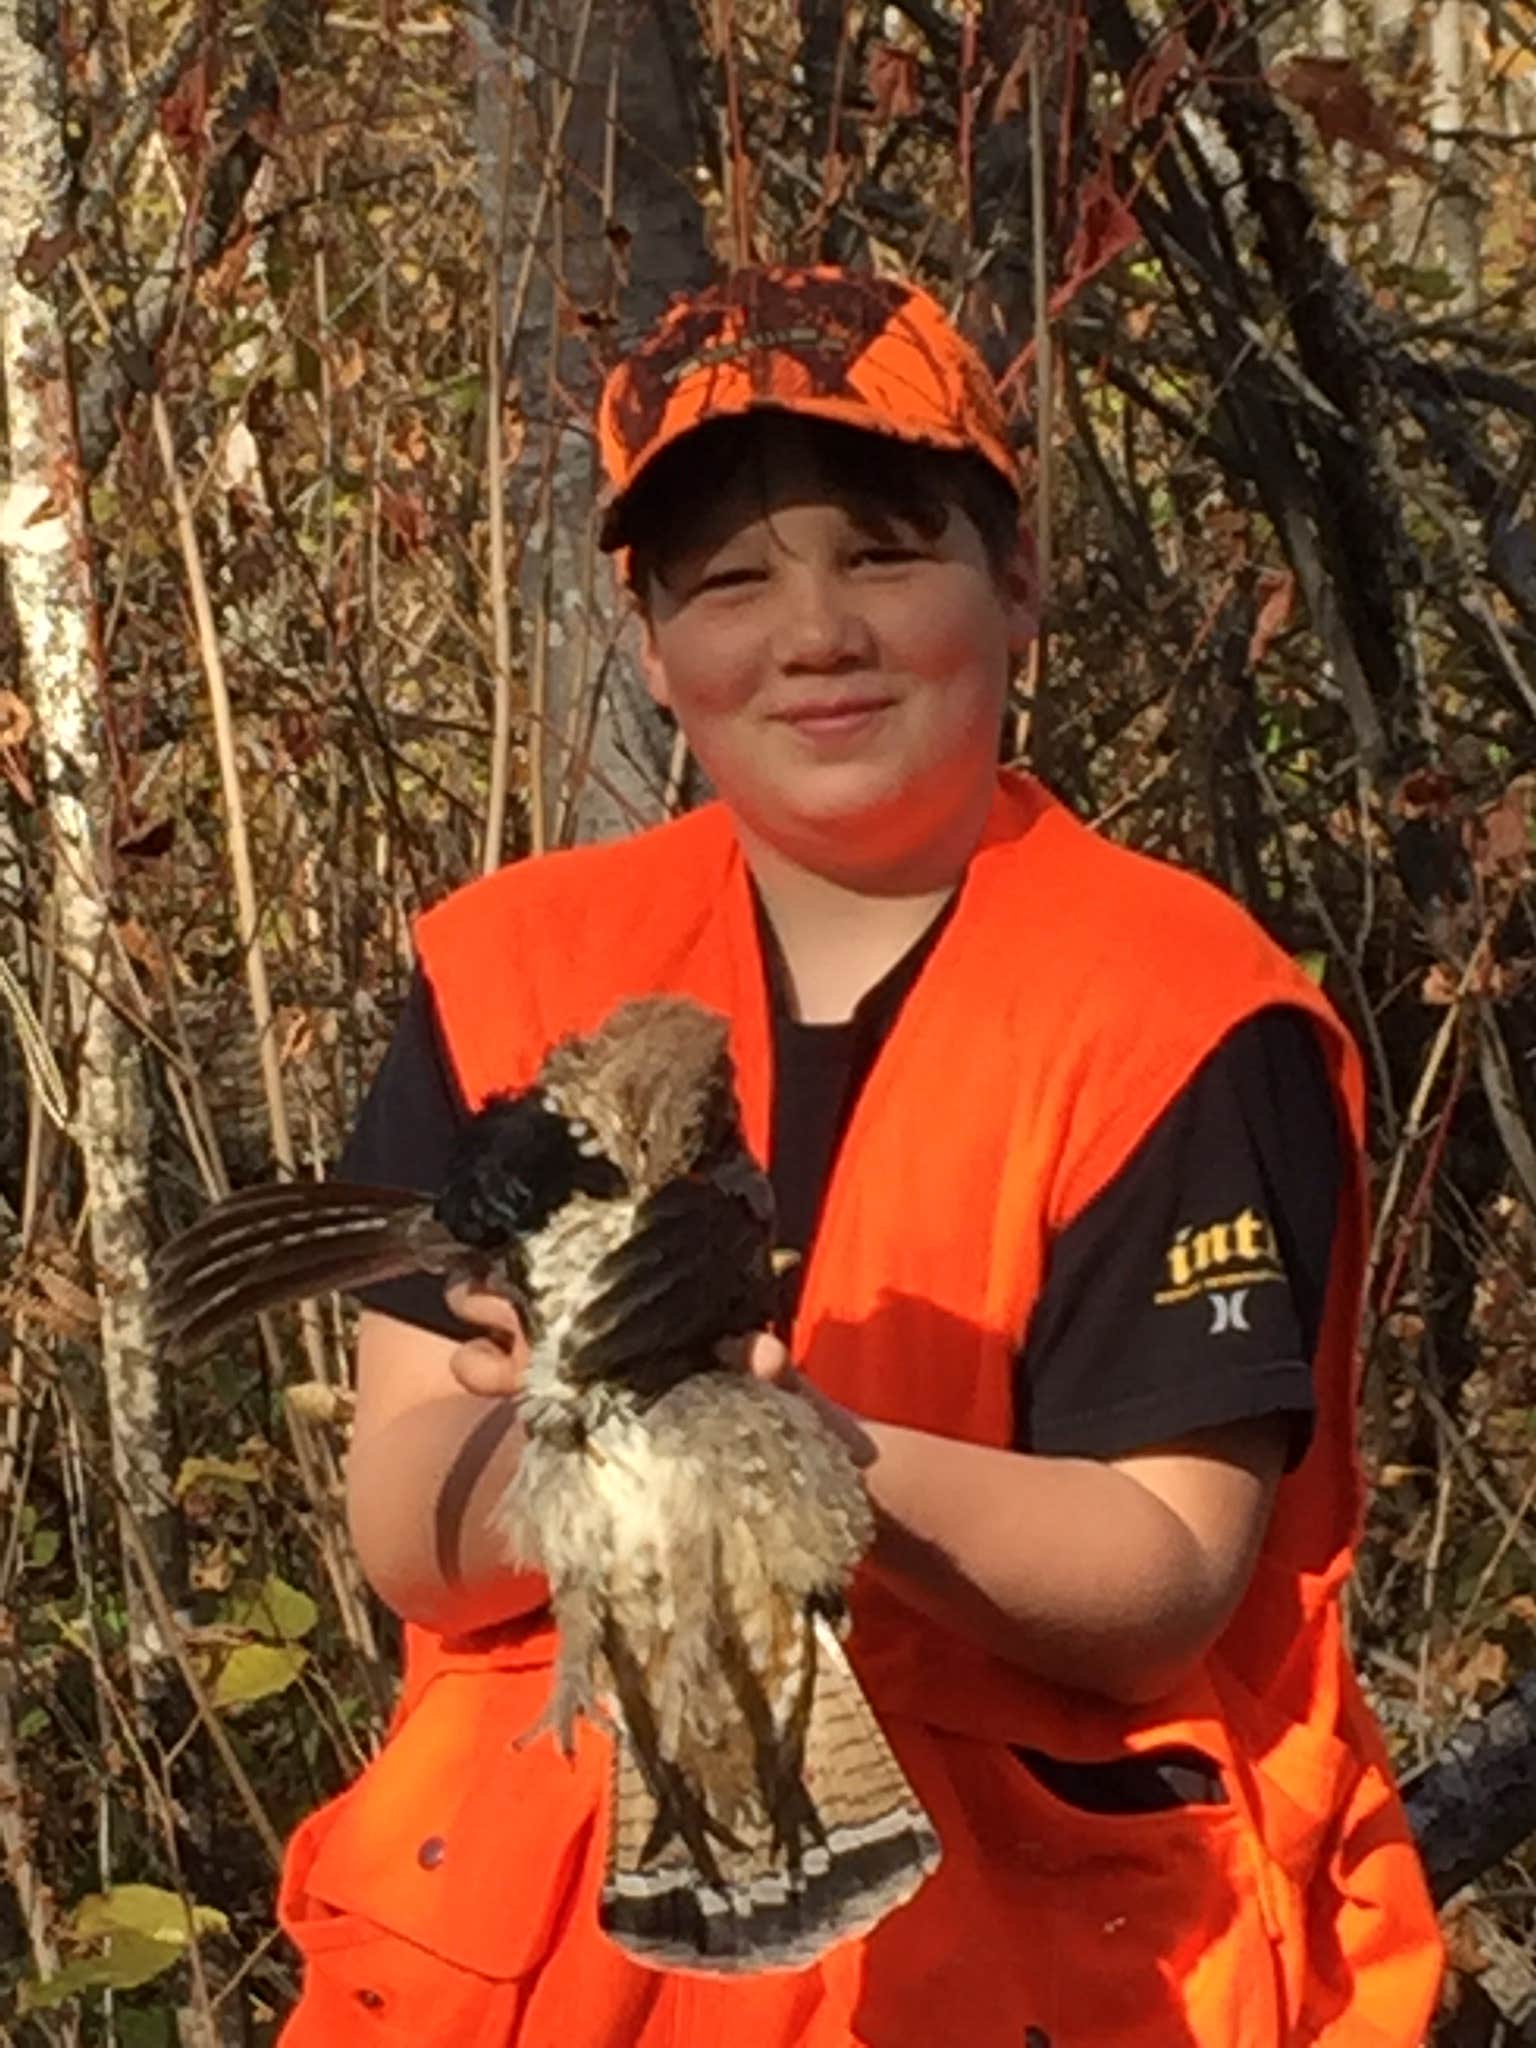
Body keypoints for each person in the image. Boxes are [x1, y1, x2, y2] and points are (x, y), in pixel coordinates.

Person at [274, 266, 1443, 2046]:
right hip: (534, 1964)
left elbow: (1156, 1581)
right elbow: (412, 1534)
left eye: (886, 550)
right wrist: (595, 1431)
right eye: (731, 580)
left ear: (1018, 581)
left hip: (1028, 1966)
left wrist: (794, 1448)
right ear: (653, 642)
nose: (814, 633)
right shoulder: (506, 970)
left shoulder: (1178, 1010)